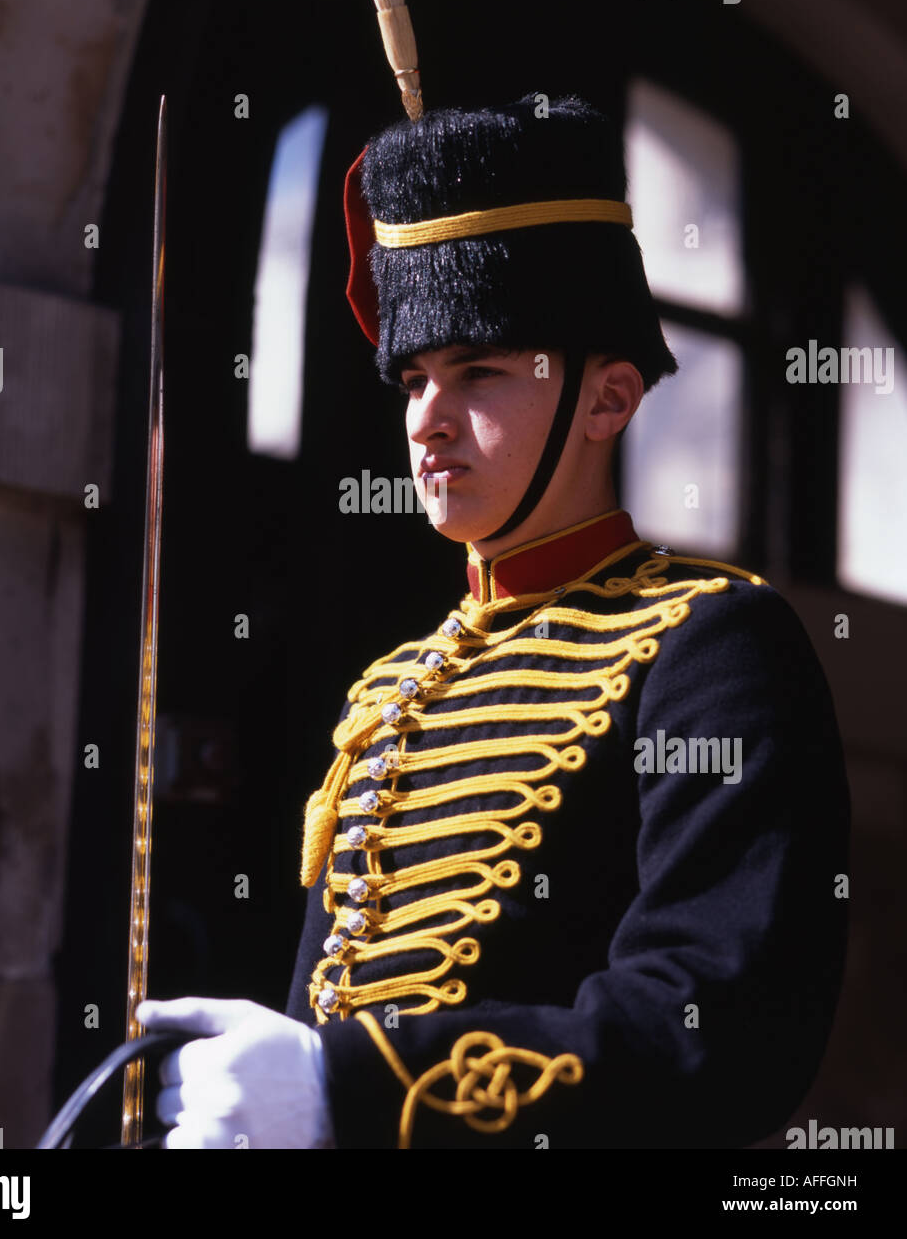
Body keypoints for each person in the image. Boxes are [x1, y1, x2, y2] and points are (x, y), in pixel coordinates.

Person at [138, 94, 849, 1149]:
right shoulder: (386, 692)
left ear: (605, 400)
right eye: (414, 377)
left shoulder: (711, 644)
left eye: (477, 371)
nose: (426, 416)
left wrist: (353, 1090)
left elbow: (718, 1029)